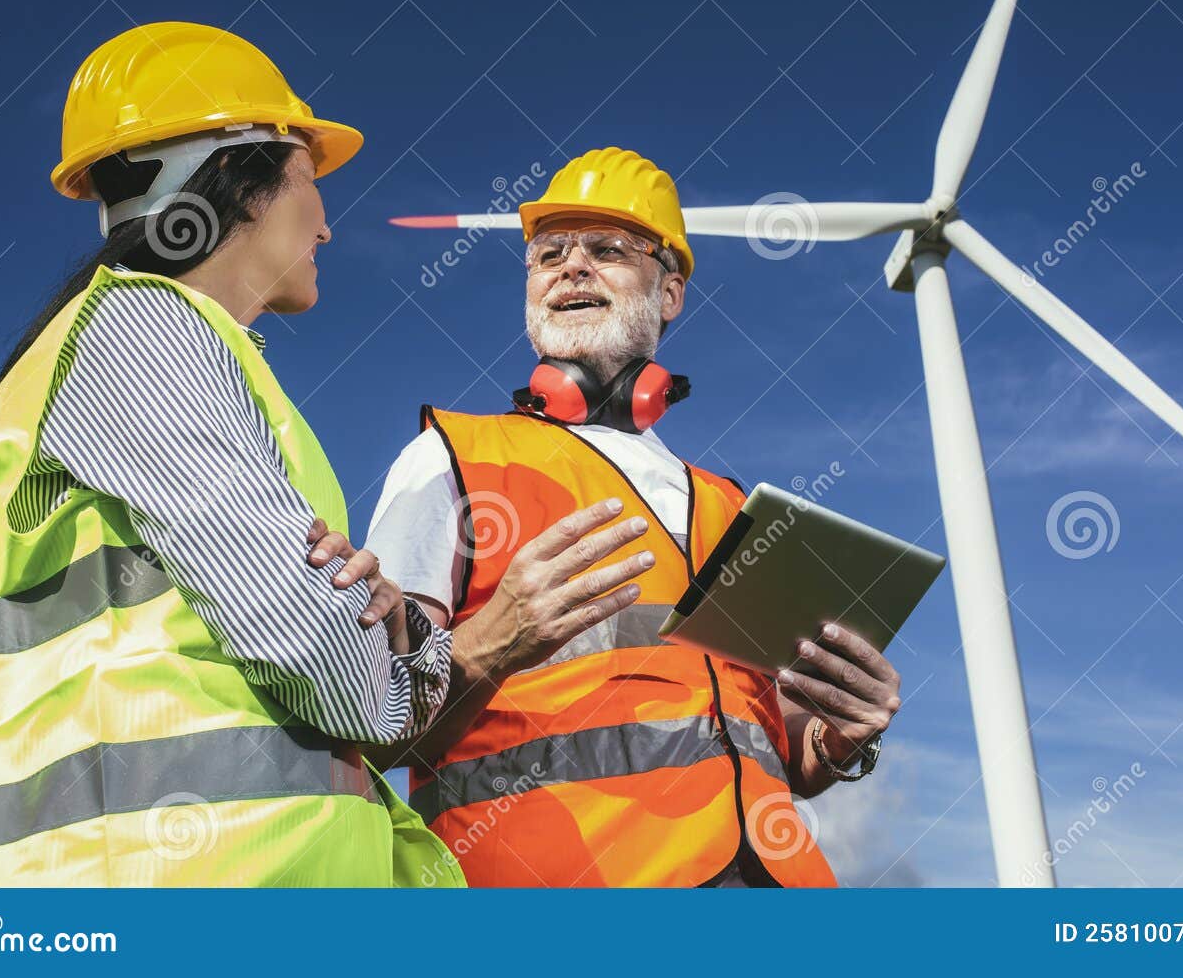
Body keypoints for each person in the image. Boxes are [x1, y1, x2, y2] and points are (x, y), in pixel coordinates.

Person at [0, 22, 463, 887]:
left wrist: (376, 619)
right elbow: (316, 648)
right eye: (310, 179)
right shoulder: (144, 335)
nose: (327, 225)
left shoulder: (151, 345)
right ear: (240, 183)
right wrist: (407, 654)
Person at [343, 146, 901, 886]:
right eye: (549, 254)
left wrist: (835, 738)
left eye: (606, 249)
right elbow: (365, 716)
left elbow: (769, 745)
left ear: (670, 293)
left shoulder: (732, 507)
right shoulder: (455, 457)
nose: (572, 266)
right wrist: (489, 642)